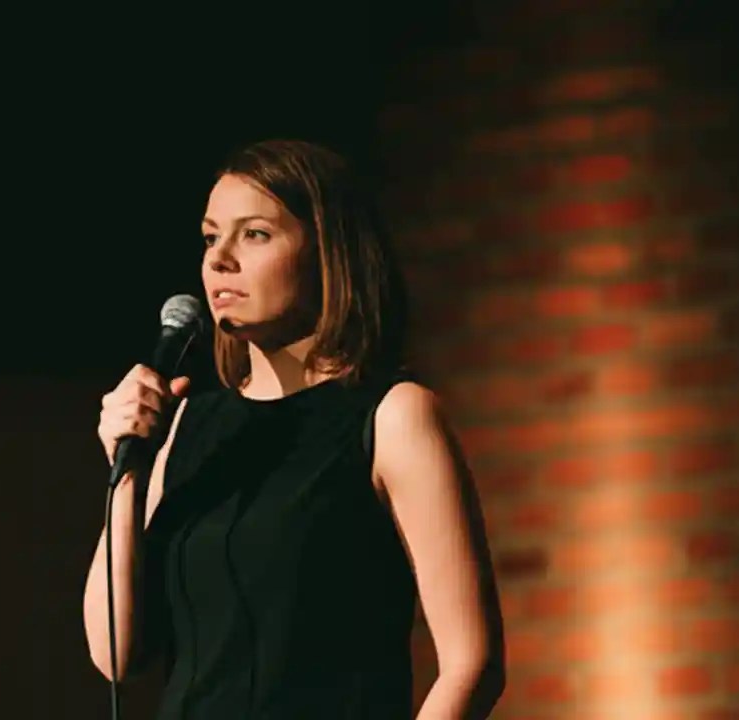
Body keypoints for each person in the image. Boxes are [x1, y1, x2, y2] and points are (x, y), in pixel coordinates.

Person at [81, 138, 506, 718]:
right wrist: (128, 471)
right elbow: (116, 656)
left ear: (328, 252)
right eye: (210, 237)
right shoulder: (189, 425)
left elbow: (472, 662)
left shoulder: (391, 416)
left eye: (253, 234)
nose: (219, 259)